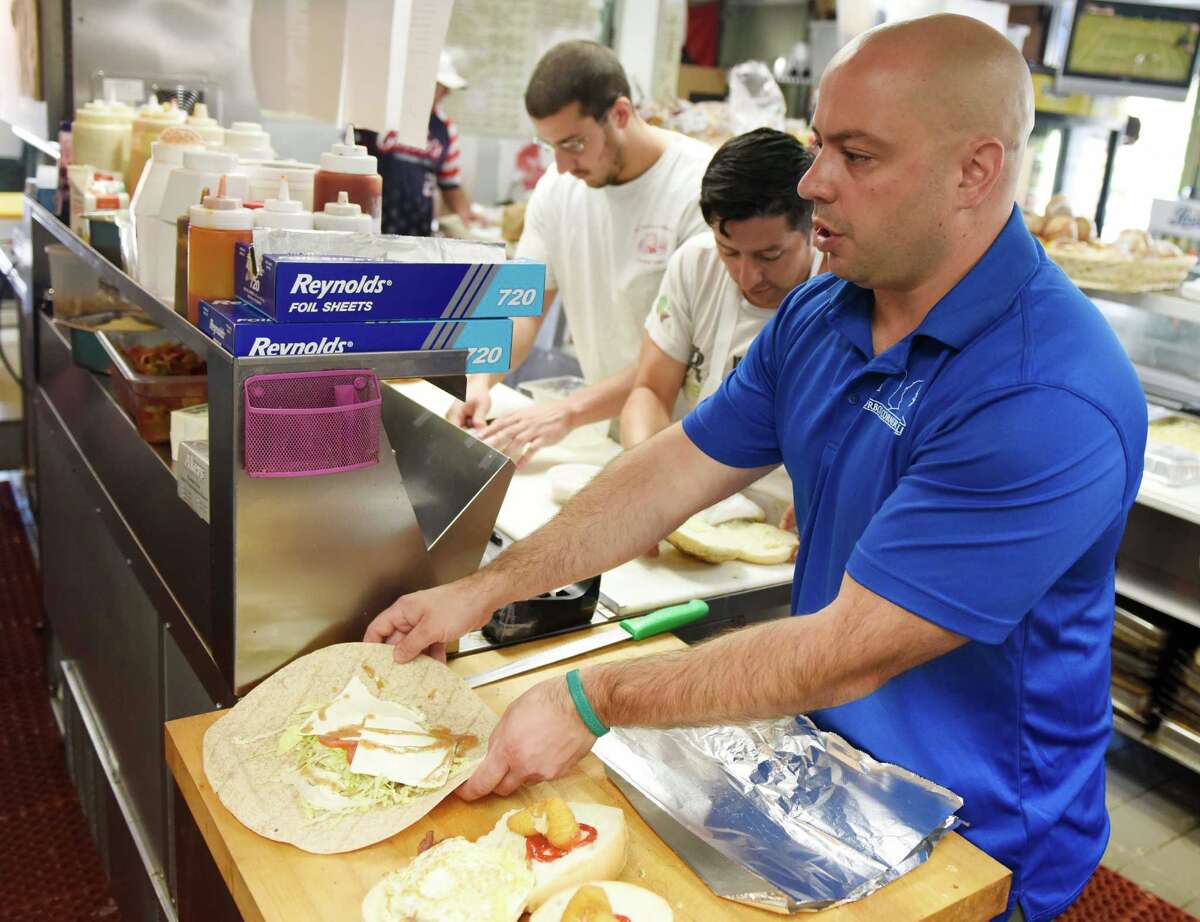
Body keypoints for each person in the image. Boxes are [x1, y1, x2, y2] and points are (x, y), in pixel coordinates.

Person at [366, 15, 1147, 922]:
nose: (814, 183)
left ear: (973, 171)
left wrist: (592, 695)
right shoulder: (826, 314)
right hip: (823, 764)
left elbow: (848, 649)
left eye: (857, 156)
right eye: (819, 146)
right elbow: (669, 470)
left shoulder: (1047, 392)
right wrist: (484, 589)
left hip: (978, 833)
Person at [449, 40, 713, 463]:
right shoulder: (558, 188)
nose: (561, 164)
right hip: (607, 432)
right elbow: (521, 306)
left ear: (621, 114)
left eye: (572, 143)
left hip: (689, 443)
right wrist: (480, 380)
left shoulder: (699, 187)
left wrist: (569, 412)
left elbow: (678, 357)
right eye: (549, 145)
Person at [620, 128, 815, 450]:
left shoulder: (841, 291)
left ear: (812, 227)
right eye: (729, 251)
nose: (748, 277)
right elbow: (651, 391)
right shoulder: (695, 264)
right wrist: (643, 470)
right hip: (698, 486)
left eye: (770, 256)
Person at [357, 51, 480, 237]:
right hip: (370, 228)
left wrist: (466, 214)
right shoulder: (375, 115)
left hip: (418, 232)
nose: (447, 92)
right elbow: (349, 168)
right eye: (442, 86)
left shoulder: (445, 130)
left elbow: (450, 184)